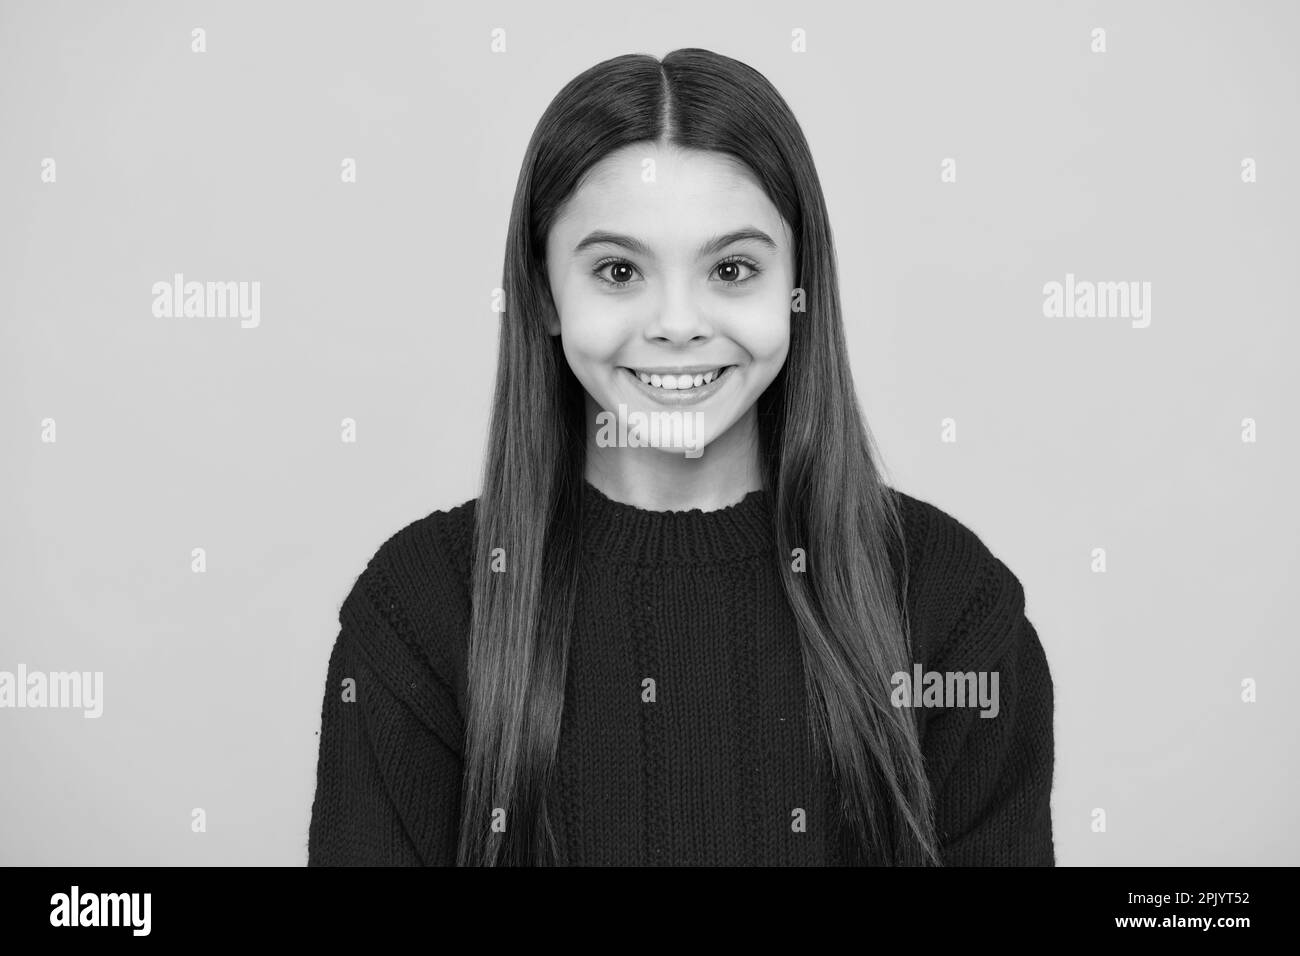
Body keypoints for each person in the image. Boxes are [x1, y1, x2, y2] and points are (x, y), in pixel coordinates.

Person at [307, 47, 1055, 866]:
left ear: (801, 285)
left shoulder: (952, 608)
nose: (677, 322)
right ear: (545, 293)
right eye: (619, 270)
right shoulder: (419, 615)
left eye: (732, 269)